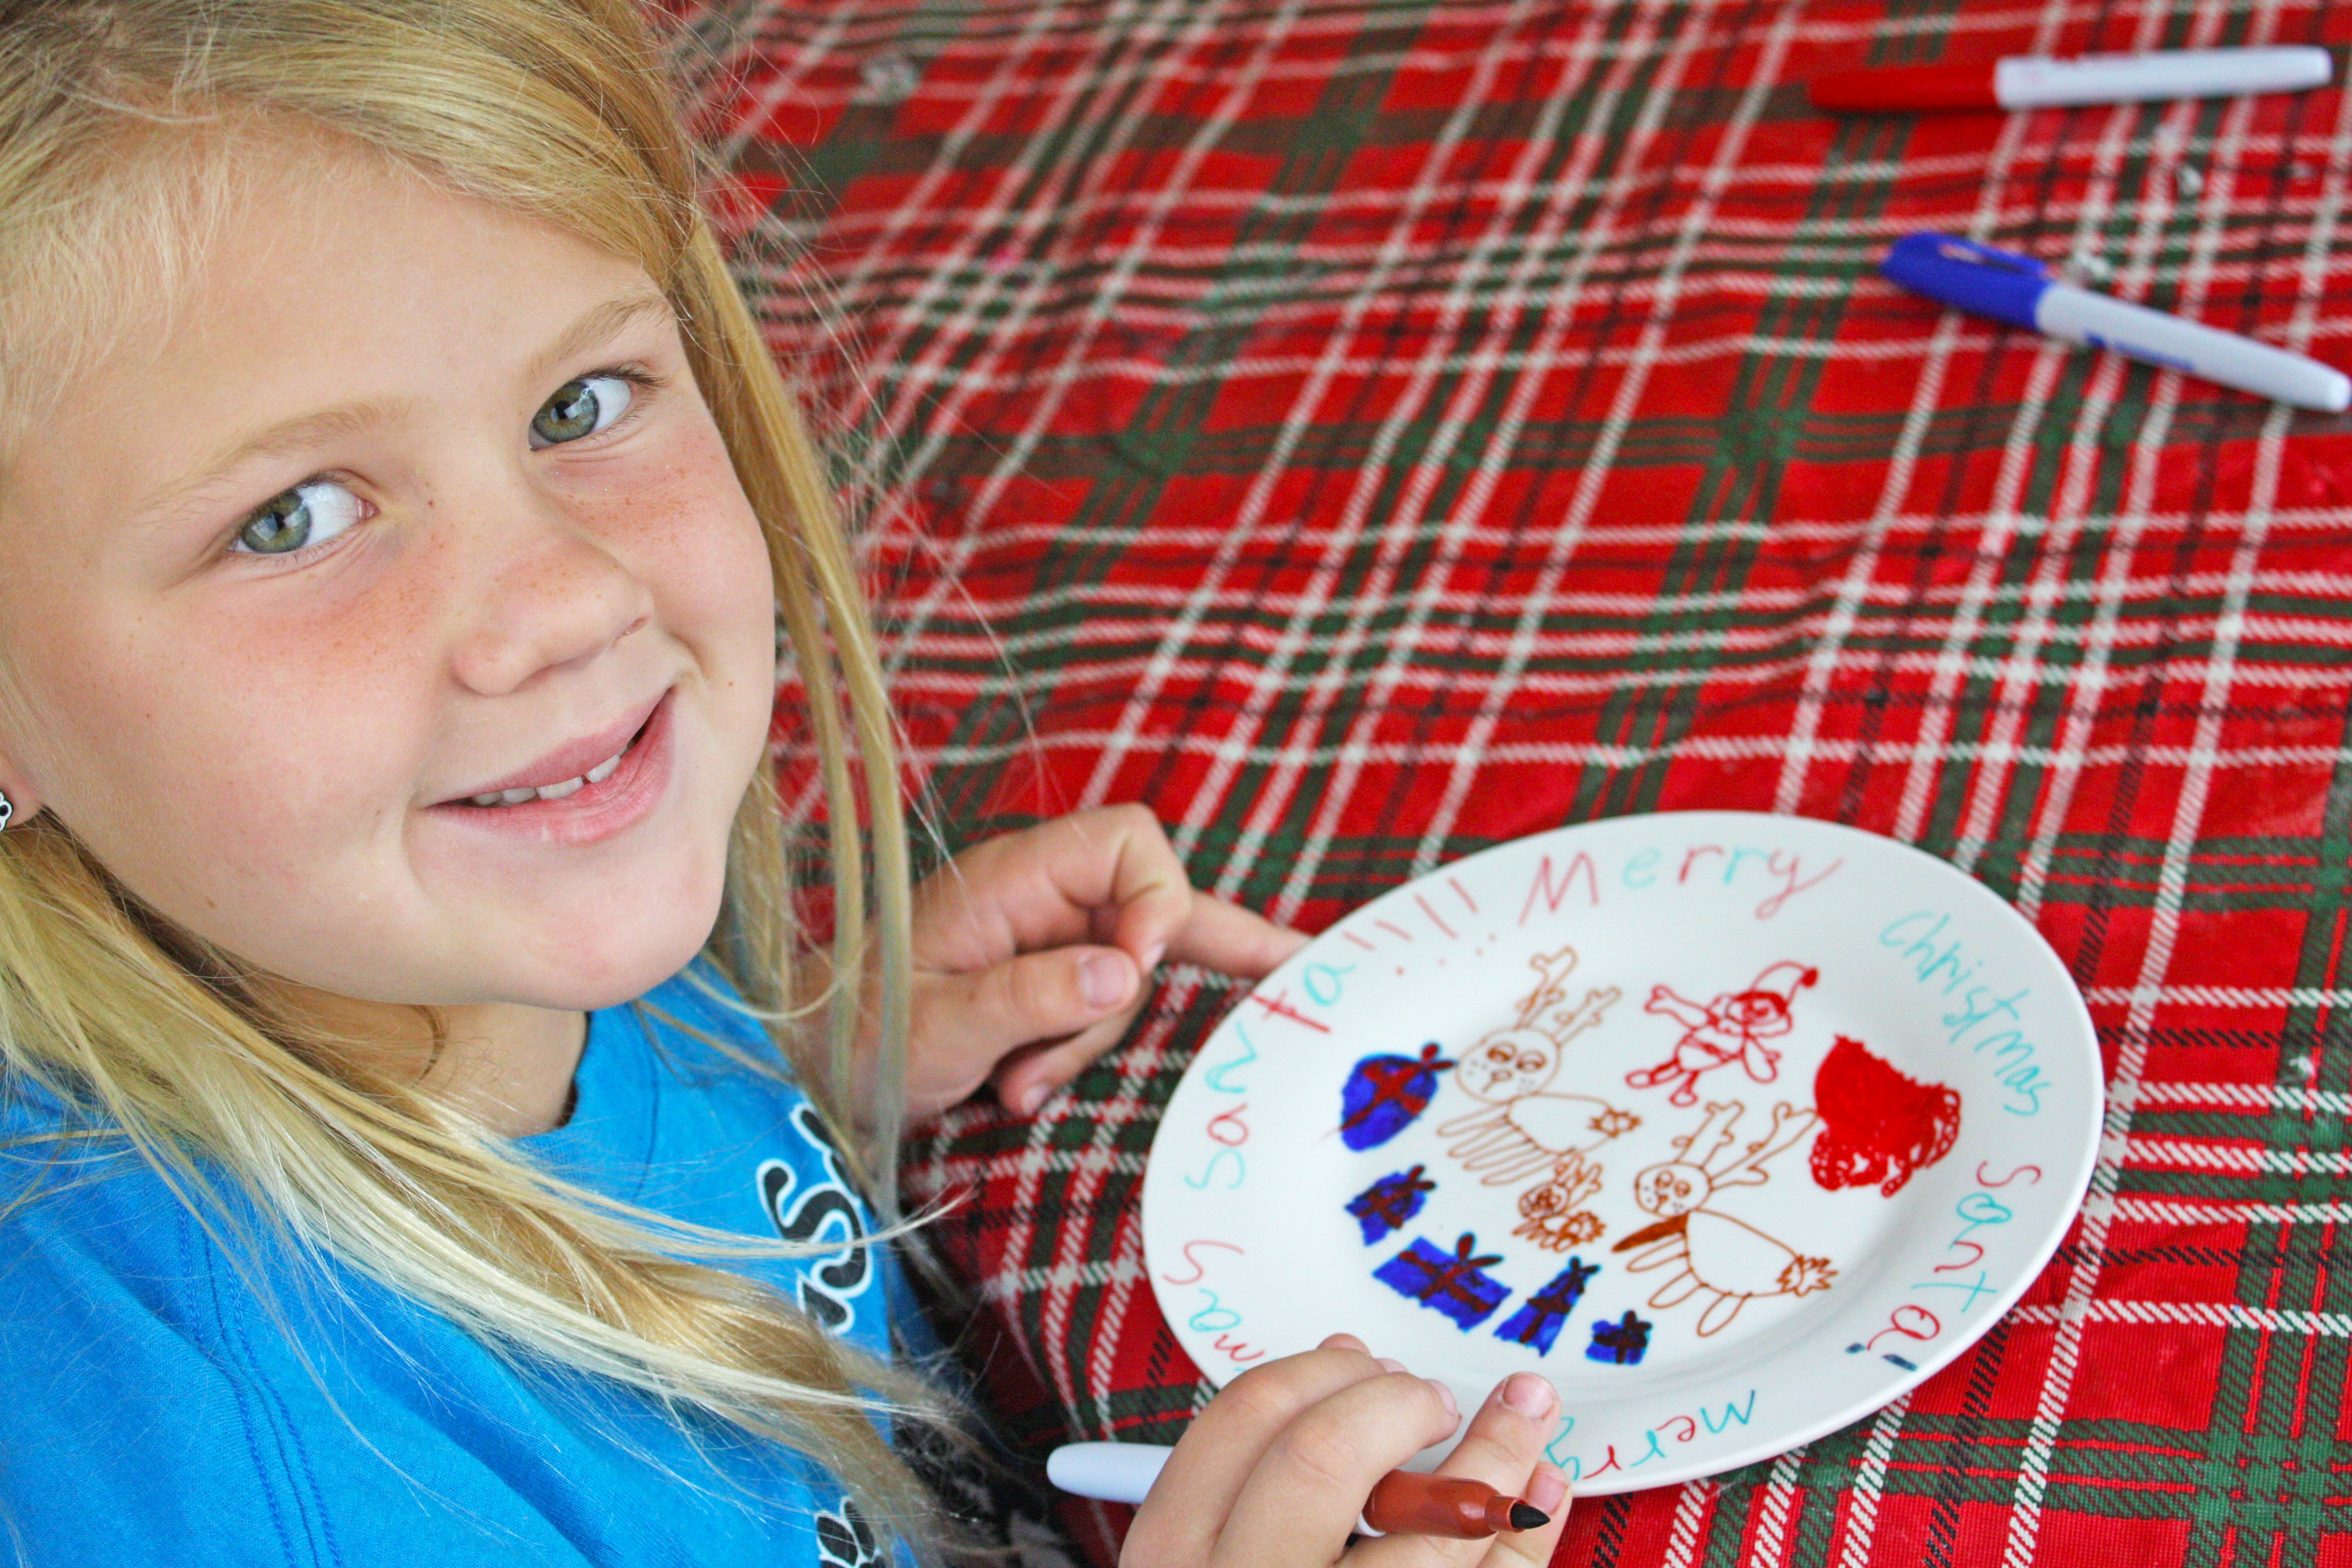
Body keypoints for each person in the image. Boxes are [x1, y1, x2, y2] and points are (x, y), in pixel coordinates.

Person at [0, 2, 1572, 1564]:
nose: (575, 597)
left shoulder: (470, 932)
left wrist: (790, 1065)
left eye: (579, 405)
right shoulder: (232, 1481)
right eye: (291, 518)